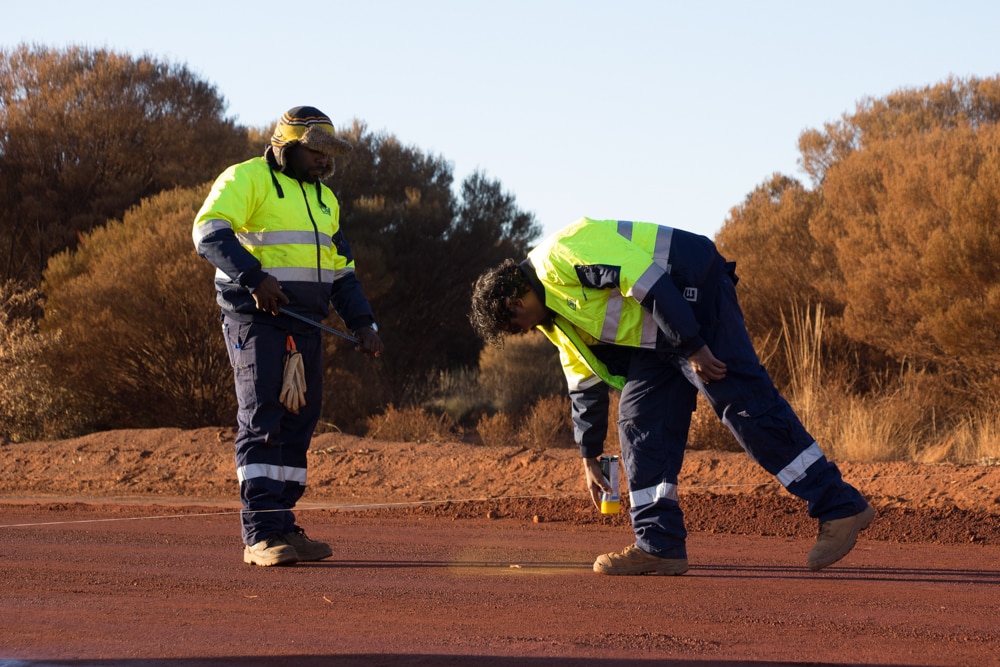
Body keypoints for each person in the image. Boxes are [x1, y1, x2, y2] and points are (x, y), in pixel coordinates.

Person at [469, 217, 874, 575]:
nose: (522, 331)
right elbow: (582, 381)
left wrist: (693, 345)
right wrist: (588, 455)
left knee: (744, 406)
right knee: (639, 422)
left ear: (513, 301)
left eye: (514, 324)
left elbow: (645, 278)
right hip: (660, 338)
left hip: (692, 294)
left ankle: (839, 506)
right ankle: (659, 545)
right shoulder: (552, 318)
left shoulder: (560, 255)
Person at [193, 106, 384, 566]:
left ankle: (282, 525)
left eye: (330, 154)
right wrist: (254, 278)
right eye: (316, 151)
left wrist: (364, 323)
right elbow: (208, 232)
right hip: (255, 321)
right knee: (262, 417)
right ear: (287, 146)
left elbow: (343, 273)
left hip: (307, 327)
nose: (324, 161)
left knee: (300, 420)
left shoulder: (326, 200)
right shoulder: (248, 178)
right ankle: (259, 534)